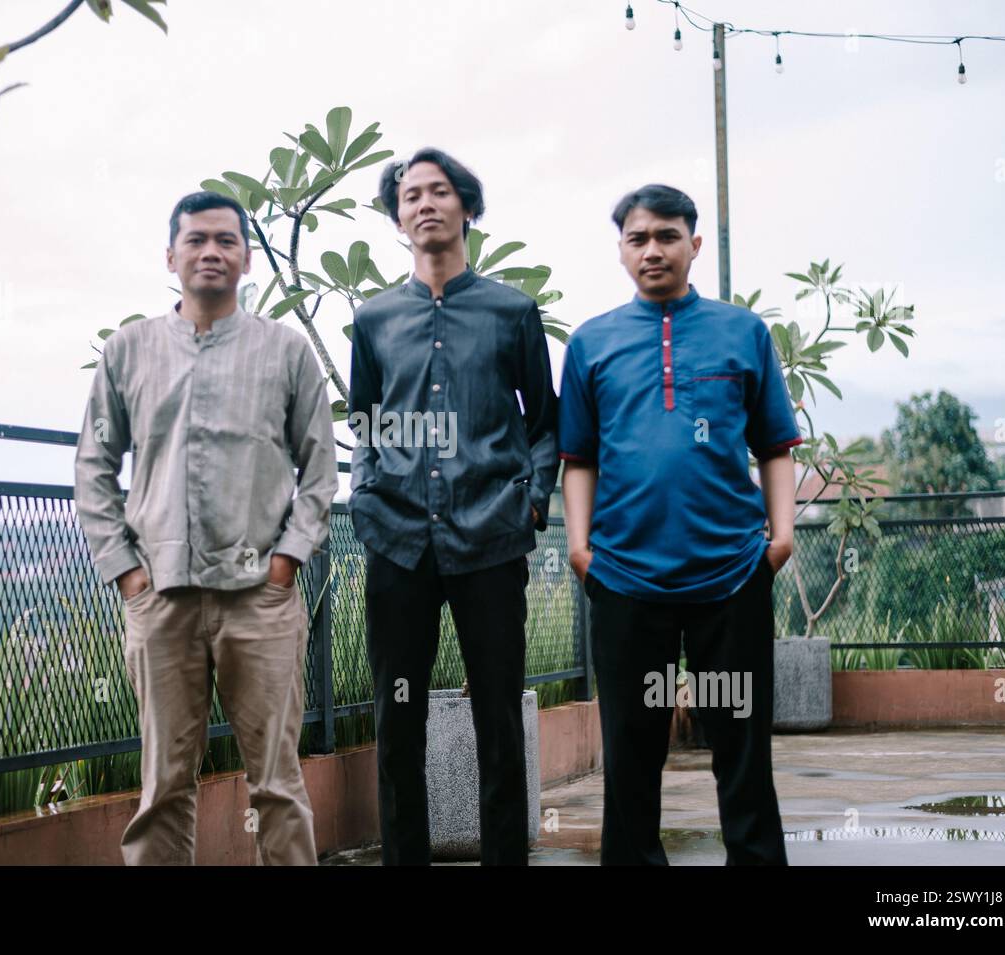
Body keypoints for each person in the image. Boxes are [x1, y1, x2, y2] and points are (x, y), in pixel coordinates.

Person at [74, 190, 337, 865]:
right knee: (163, 783)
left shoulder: (286, 351)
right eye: (196, 240)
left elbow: (320, 470)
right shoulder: (127, 352)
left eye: (225, 240)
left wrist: (287, 561)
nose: (211, 251)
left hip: (262, 599)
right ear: (171, 256)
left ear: (247, 258)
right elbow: (94, 468)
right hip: (159, 599)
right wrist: (128, 572)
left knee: (277, 782)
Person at [559, 183, 799, 865]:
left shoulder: (742, 332)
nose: (653, 249)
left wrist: (779, 539)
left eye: (667, 235)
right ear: (621, 252)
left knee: (741, 746)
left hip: (731, 574)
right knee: (631, 755)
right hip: (627, 578)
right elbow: (578, 458)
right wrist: (581, 549)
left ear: (695, 244)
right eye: (639, 238)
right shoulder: (591, 344)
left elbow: (775, 445)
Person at [348, 148, 560, 865]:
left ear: (467, 208)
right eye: (411, 196)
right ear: (399, 218)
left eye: (440, 192)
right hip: (399, 544)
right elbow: (365, 423)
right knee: (397, 719)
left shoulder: (511, 312)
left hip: (491, 542)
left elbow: (545, 423)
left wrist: (531, 502)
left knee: (497, 720)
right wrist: (368, 499)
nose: (425, 204)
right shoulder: (373, 321)